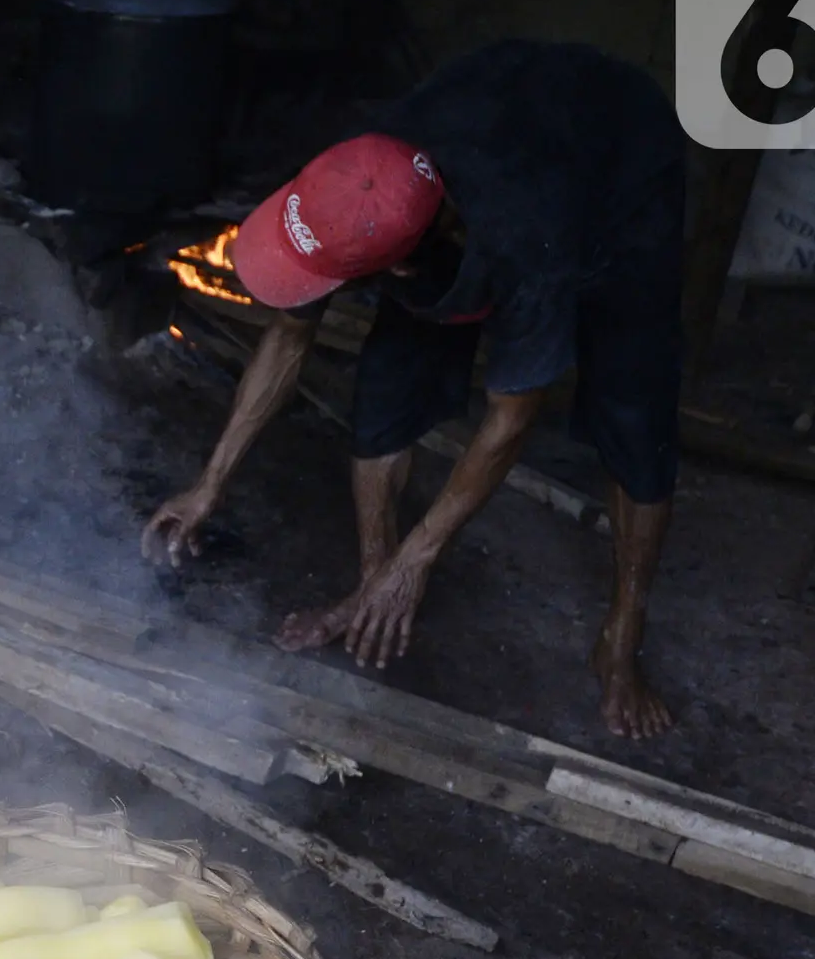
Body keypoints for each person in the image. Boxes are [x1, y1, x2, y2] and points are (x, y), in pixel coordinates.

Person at [145, 40, 685, 739]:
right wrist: (209, 483)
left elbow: (511, 420)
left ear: (395, 268)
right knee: (388, 387)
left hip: (620, 165)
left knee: (633, 411)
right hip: (488, 119)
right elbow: (288, 335)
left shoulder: (530, 242)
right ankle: (372, 585)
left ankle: (620, 638)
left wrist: (418, 559)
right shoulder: (354, 176)